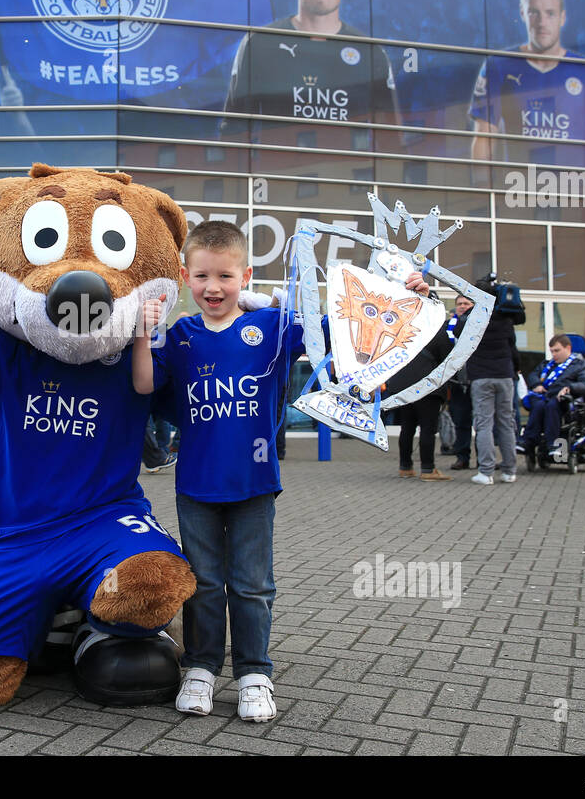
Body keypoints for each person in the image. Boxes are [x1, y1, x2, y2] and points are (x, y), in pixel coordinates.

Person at [134, 221, 426, 721]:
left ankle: (254, 673)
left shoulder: (272, 328)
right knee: (203, 582)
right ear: (185, 276)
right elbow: (143, 386)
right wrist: (143, 331)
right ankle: (202, 667)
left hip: (255, 484)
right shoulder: (178, 336)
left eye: (226, 276)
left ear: (244, 275)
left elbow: (345, 325)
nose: (213, 287)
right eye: (202, 275)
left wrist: (401, 291)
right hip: (196, 486)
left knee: (251, 584)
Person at [224, 0, 399, 160]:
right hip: (278, 179)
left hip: (350, 184)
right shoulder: (260, 43)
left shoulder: (370, 53)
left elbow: (391, 135)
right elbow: (233, 129)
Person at [469, 0, 585, 197]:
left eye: (550, 13)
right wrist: (485, 203)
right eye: (534, 13)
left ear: (562, 17)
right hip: (519, 199)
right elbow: (483, 139)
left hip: (574, 203)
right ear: (522, 13)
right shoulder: (499, 66)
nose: (542, 22)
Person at [457, 278, 520, 486]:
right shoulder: (506, 317)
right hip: (505, 375)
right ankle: (509, 471)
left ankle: (486, 472)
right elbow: (513, 345)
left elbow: (457, 331)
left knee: (484, 424)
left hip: (481, 377)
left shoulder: (474, 316)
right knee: (506, 424)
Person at [387, 318, 455, 481]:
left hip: (403, 387)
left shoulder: (403, 330)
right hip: (427, 387)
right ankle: (428, 469)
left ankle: (405, 467)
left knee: (407, 427)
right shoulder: (437, 333)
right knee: (427, 428)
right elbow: (449, 359)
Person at [520, 333, 585, 462]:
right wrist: (537, 384)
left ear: (568, 348)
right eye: (552, 351)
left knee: (551, 405)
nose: (554, 354)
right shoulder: (547, 365)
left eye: (557, 351)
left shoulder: (582, 366)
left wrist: (571, 388)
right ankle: (528, 441)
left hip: (565, 402)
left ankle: (553, 444)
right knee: (538, 405)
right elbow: (533, 374)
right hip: (544, 398)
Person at [446, 295, 475, 470]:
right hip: (456, 382)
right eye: (459, 304)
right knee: (460, 421)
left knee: (481, 423)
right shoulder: (447, 328)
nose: (462, 306)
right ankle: (462, 457)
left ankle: (484, 460)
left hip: (476, 380)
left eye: (466, 303)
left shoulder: (480, 327)